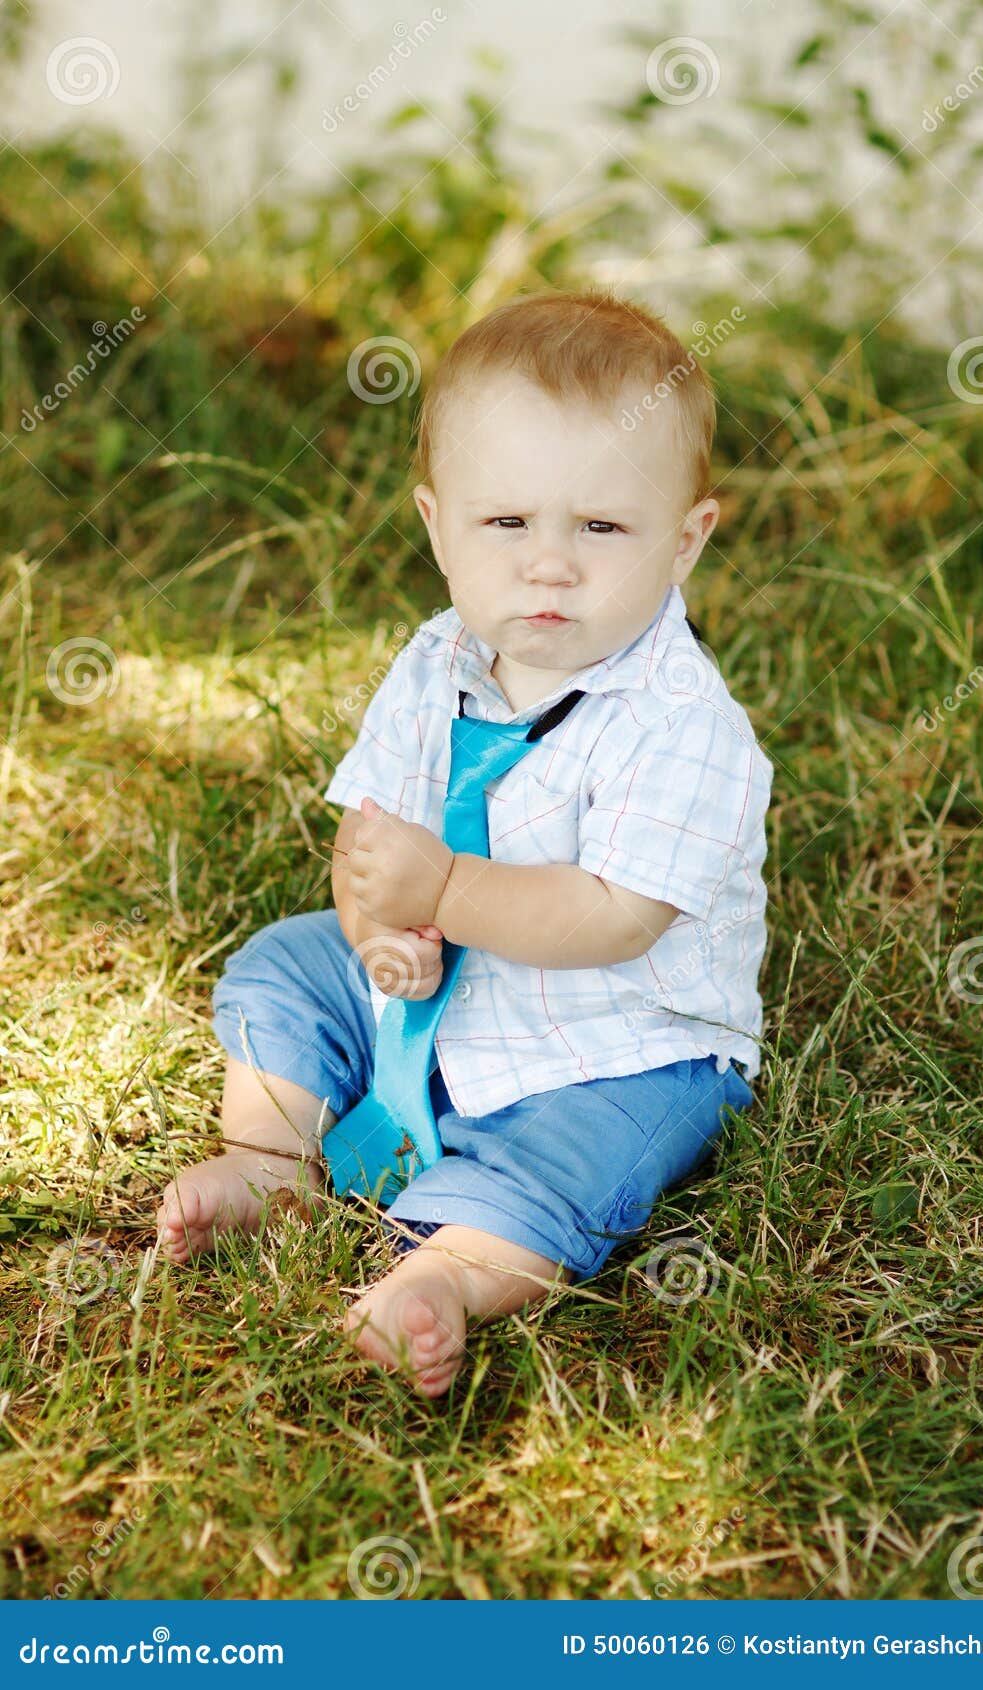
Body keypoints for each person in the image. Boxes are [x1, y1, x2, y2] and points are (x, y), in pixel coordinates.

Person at [155, 288, 773, 1400]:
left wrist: (441, 887)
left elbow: (615, 916)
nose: (549, 564)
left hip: (615, 1040)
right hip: (441, 984)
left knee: (590, 1149)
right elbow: (369, 836)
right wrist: (375, 930)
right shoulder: (435, 659)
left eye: (600, 527)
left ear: (684, 542)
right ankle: (269, 1158)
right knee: (288, 962)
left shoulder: (682, 723)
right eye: (506, 524)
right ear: (438, 527)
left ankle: (448, 1272)